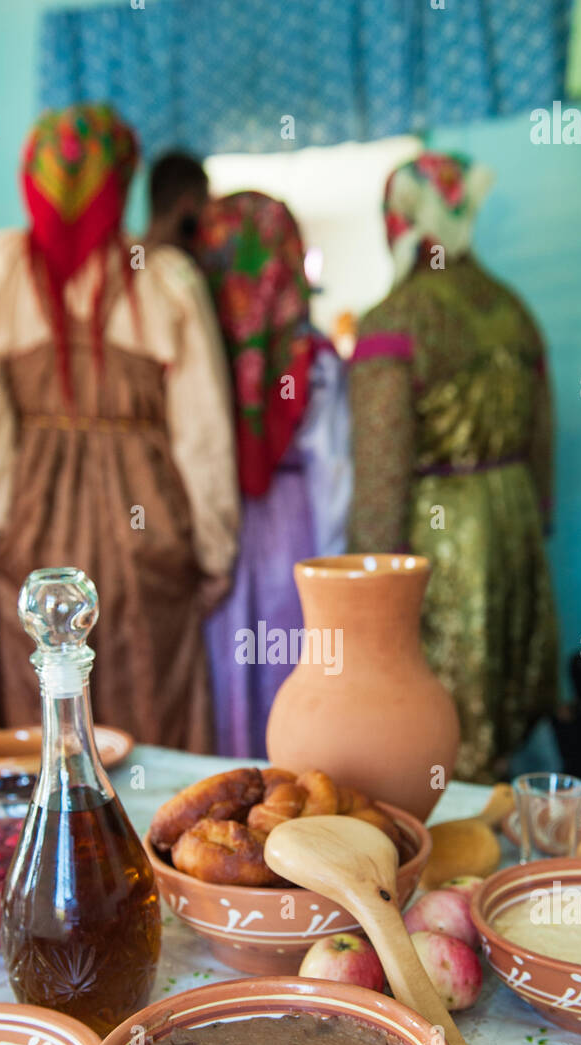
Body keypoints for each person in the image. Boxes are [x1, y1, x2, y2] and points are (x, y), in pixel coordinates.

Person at [0, 104, 238, 750]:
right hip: (147, 518)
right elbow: (201, 435)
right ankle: (149, 844)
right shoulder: (168, 280)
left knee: (39, 696)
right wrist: (213, 549)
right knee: (153, 690)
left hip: (30, 520)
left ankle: (42, 844)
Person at [349, 152, 558, 783]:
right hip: (514, 516)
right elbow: (543, 445)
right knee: (496, 713)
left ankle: (450, 857)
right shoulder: (513, 310)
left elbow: (382, 469)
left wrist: (371, 584)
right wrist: (532, 520)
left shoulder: (397, 319)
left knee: (439, 726)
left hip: (444, 538)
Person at [196, 190, 351, 758]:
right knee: (296, 672)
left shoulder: (197, 347)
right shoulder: (314, 358)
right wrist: (335, 565)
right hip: (295, 533)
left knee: (228, 673)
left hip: (220, 530)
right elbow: (335, 473)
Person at [144, 150, 209, 257]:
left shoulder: (134, 251)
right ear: (188, 204)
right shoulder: (174, 262)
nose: (203, 218)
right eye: (201, 206)